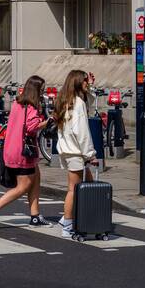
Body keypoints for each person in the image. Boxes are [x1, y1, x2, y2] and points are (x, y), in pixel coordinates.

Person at [0, 75, 48, 229]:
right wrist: (47, 122)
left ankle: (34, 216)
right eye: (42, 89)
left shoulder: (17, 103)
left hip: (12, 148)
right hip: (23, 151)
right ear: (36, 90)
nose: (43, 93)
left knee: (36, 177)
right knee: (24, 185)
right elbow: (31, 128)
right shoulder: (32, 107)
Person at [53, 70, 97, 238]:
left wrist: (90, 87)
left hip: (67, 149)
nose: (87, 82)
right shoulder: (77, 103)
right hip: (75, 151)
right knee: (73, 189)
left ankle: (67, 218)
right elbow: (82, 132)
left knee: (87, 183)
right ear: (78, 82)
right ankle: (67, 224)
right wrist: (90, 154)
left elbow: (90, 103)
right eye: (85, 81)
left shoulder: (66, 100)